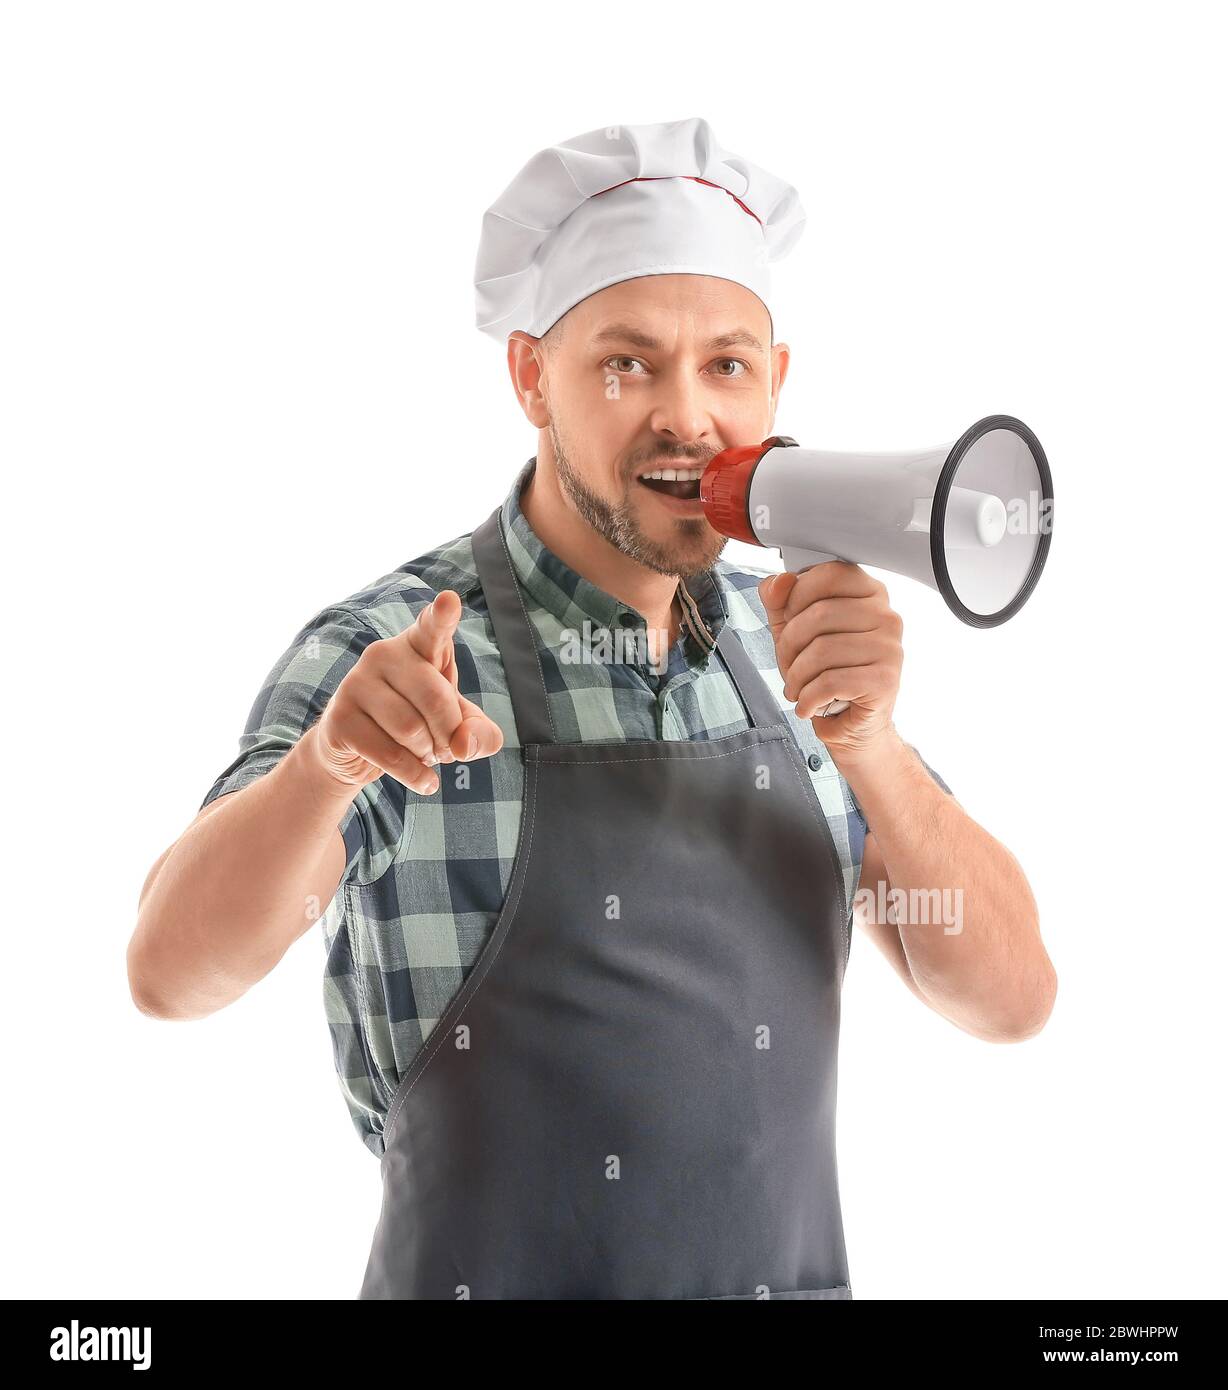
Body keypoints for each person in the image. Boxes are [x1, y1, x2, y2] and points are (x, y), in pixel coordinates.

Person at [129, 117, 1057, 1300]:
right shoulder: (395, 651)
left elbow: (1015, 999)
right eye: (628, 363)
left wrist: (869, 747)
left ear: (775, 382)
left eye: (726, 364)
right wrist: (327, 768)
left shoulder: (799, 649)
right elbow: (171, 972)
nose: (685, 416)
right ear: (530, 377)